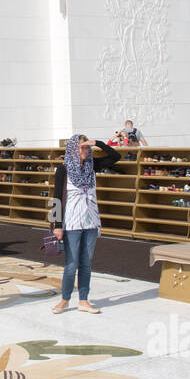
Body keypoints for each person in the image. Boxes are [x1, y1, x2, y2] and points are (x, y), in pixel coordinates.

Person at [51, 134, 119, 314]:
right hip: (71, 222)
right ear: (73, 148)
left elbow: (115, 157)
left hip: (90, 221)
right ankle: (65, 299)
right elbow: (57, 198)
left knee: (86, 263)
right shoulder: (63, 170)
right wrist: (57, 225)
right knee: (71, 263)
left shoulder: (92, 166)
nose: (85, 151)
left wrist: (98, 143)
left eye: (87, 147)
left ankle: (83, 300)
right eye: (81, 147)